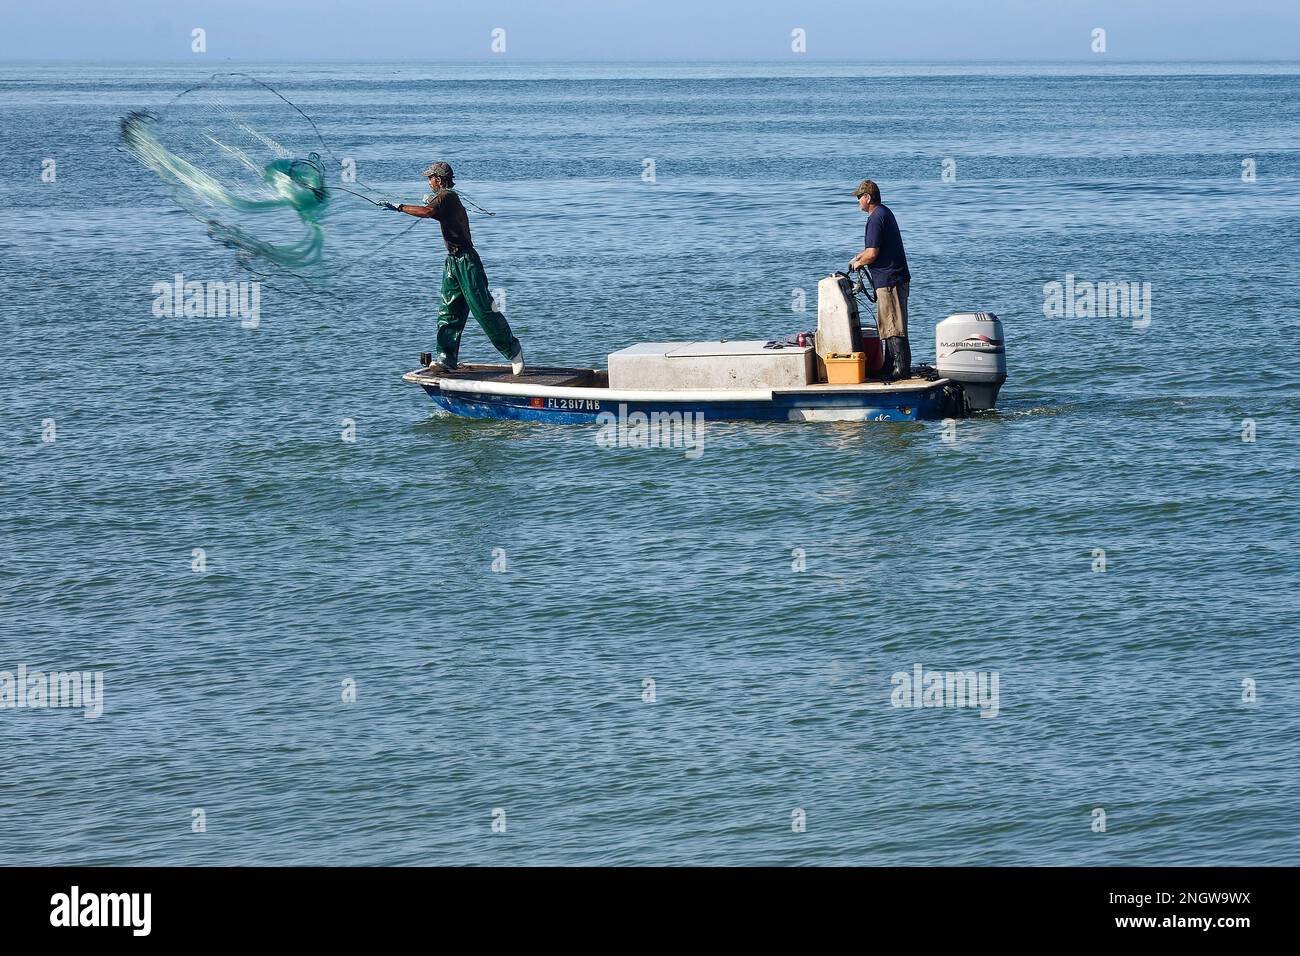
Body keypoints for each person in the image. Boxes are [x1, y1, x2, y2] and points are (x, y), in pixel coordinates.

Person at [382, 162, 524, 374]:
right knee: (449, 309)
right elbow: (433, 209)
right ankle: (446, 358)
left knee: (483, 308)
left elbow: (428, 211)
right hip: (452, 262)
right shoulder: (444, 199)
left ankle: (514, 351)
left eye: (430, 178)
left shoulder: (447, 196)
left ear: (438, 179)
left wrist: (400, 207)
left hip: (467, 261)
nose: (428, 182)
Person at [848, 179, 911, 380]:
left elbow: (873, 253)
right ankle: (888, 366)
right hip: (892, 278)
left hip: (889, 279)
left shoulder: (875, 218)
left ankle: (900, 369)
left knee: (893, 324)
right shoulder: (884, 212)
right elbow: (870, 250)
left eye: (859, 197)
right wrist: (859, 257)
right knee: (889, 323)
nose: (858, 201)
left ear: (868, 198)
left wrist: (859, 263)